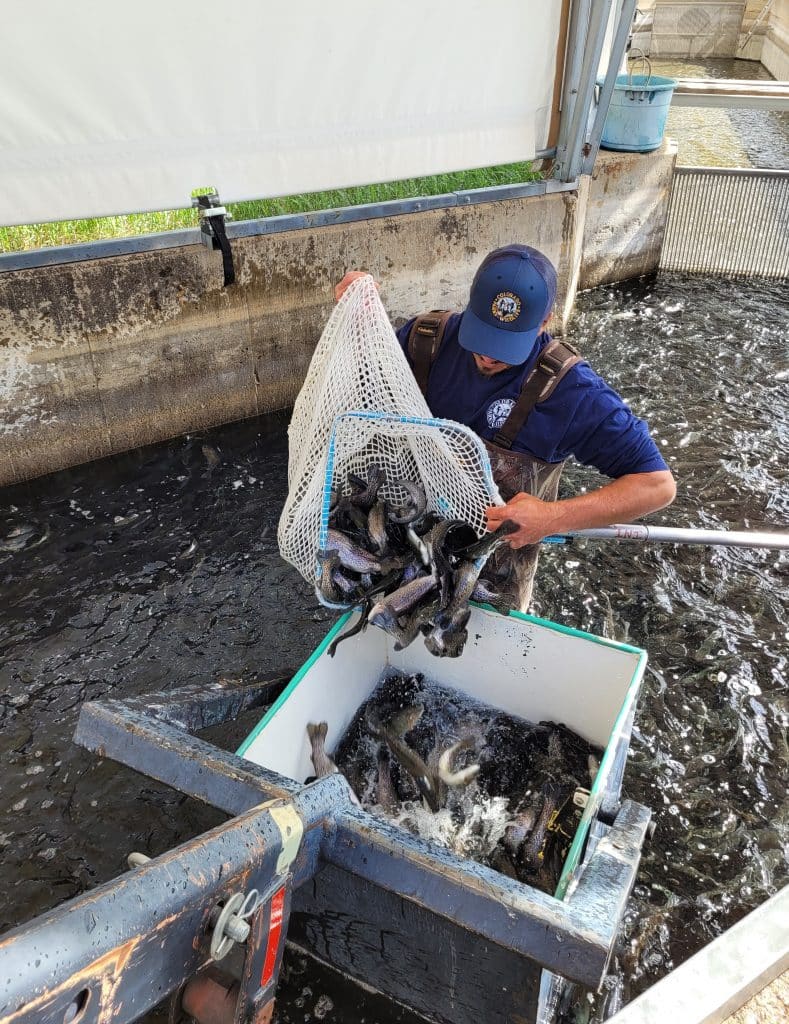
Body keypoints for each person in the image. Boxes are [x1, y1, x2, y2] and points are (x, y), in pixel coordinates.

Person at [334, 244, 676, 611]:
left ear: (545, 322)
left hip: (491, 583)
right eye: (482, 336)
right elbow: (364, 382)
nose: (488, 356)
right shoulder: (424, 341)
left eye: (505, 346)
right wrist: (359, 316)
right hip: (399, 558)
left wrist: (553, 517)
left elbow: (656, 486)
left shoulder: (574, 392)